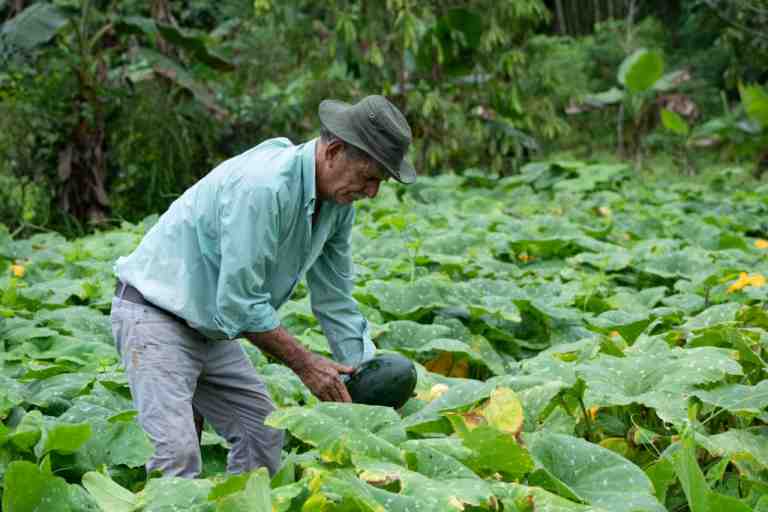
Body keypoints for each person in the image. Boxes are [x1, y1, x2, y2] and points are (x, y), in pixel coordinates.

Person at [109, 95, 416, 478]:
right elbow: (239, 304)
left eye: (380, 182)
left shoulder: (338, 207)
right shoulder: (264, 187)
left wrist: (365, 372)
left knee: (263, 434)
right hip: (155, 315)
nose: (372, 193)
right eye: (369, 178)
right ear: (334, 151)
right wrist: (307, 365)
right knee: (178, 456)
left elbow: (334, 298)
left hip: (209, 328)